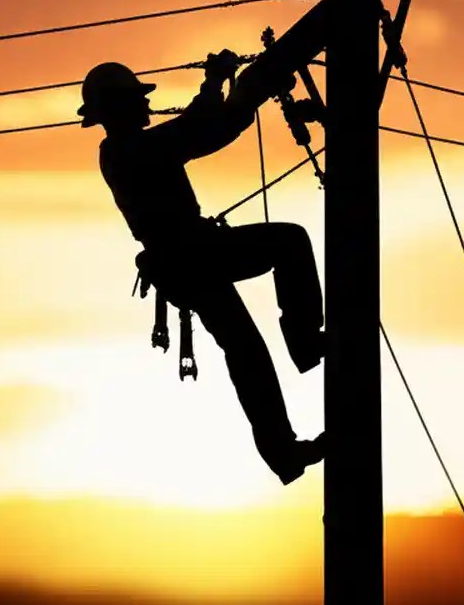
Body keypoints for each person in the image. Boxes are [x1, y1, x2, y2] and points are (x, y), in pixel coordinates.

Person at [81, 53, 326, 485]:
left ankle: (284, 453)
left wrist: (235, 93)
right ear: (118, 108)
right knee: (289, 242)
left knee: (247, 352)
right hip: (192, 256)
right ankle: (305, 345)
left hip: (186, 262)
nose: (146, 105)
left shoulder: (126, 149)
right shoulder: (131, 149)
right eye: (138, 99)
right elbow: (200, 130)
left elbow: (208, 129)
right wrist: (218, 82)